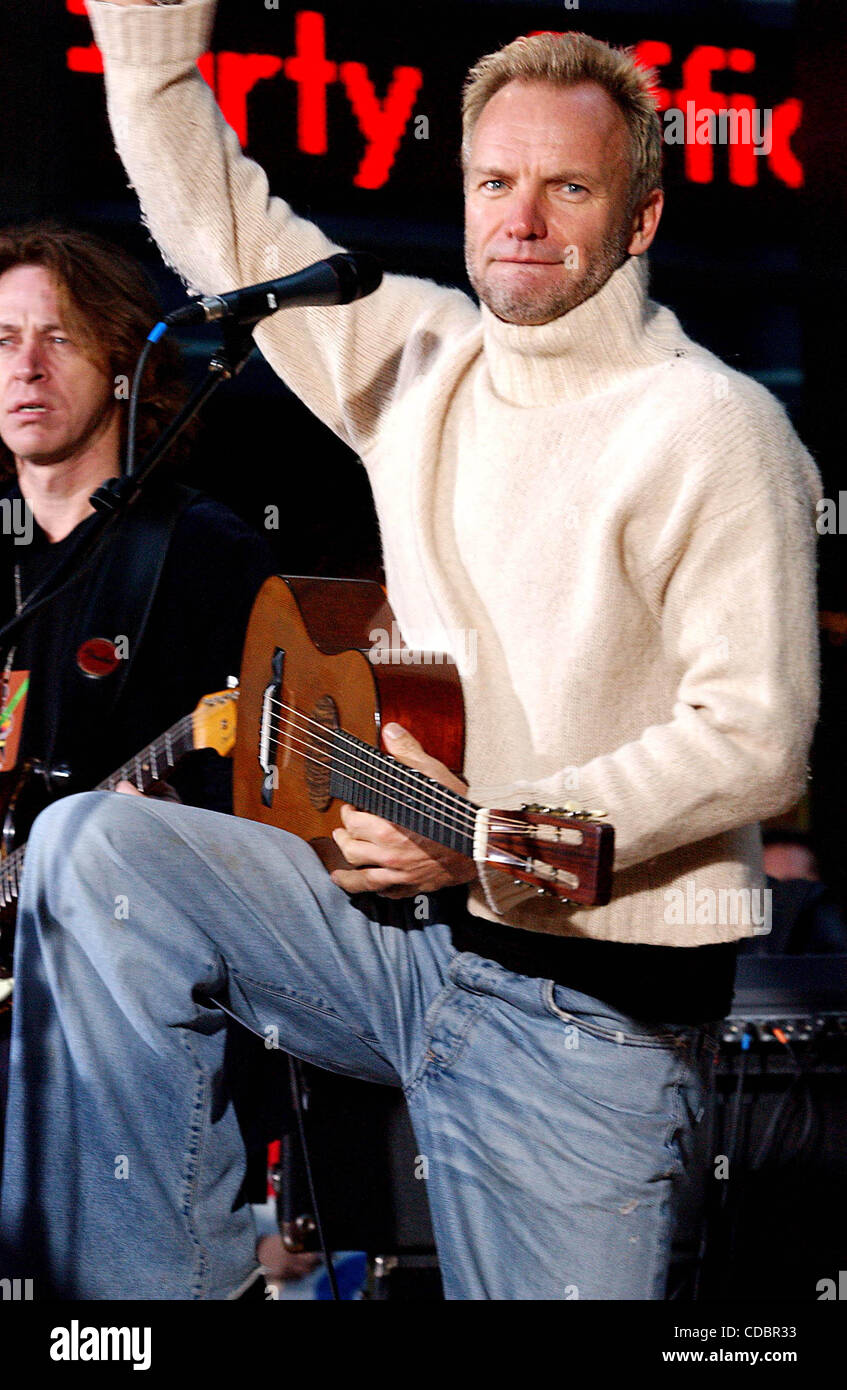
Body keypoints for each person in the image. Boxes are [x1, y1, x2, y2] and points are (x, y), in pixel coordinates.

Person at [0, 3, 820, 1301]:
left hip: (586, 1020)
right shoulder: (424, 366)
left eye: (567, 187)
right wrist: (147, 48)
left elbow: (756, 740)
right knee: (93, 847)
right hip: (411, 953)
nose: (521, 217)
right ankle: (169, 1300)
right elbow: (231, 234)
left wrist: (486, 834)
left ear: (639, 220)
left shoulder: (713, 428)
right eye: (495, 181)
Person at [0, 222, 276, 1157]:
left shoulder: (199, 552)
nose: (26, 368)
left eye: (59, 338)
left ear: (126, 366)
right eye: (3, 341)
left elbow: (262, 812)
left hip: (140, 1035)